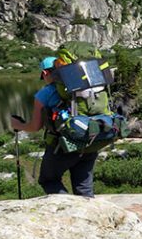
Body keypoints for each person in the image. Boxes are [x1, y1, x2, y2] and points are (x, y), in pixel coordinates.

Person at [9, 56, 98, 197]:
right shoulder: (82, 87)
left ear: (45, 73)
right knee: (84, 187)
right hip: (90, 140)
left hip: (62, 146)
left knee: (48, 180)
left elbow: (35, 126)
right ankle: (89, 215)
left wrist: (18, 125)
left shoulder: (45, 93)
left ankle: (66, 209)